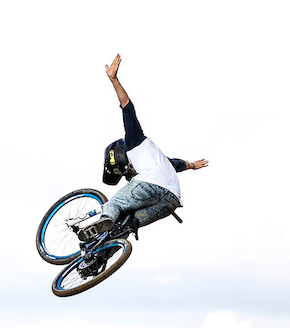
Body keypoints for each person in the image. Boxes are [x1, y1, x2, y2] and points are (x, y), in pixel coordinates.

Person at [77, 54, 208, 241]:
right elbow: (179, 164)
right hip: (171, 201)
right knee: (125, 226)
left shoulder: (134, 141)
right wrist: (193, 165)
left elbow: (127, 108)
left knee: (114, 206)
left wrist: (114, 79)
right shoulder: (158, 160)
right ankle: (98, 258)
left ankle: (106, 218)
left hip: (151, 185)